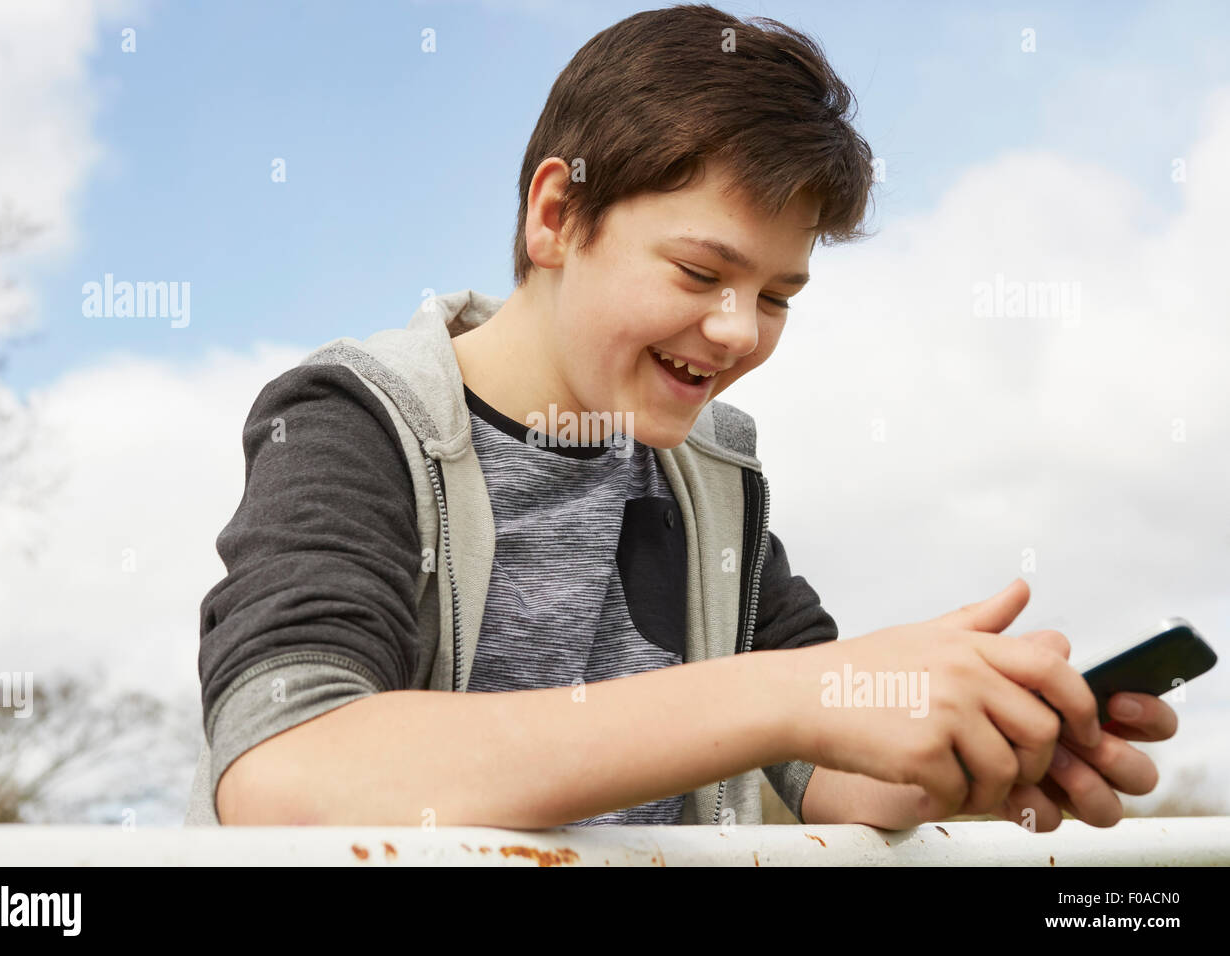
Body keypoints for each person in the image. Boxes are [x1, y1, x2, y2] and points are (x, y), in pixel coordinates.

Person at [184, 4, 1175, 829]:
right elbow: (286, 770)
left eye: (777, 295)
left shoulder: (716, 484)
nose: (740, 330)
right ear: (556, 216)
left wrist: (964, 747)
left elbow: (825, 772)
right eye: (701, 272)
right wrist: (796, 696)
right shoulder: (348, 423)